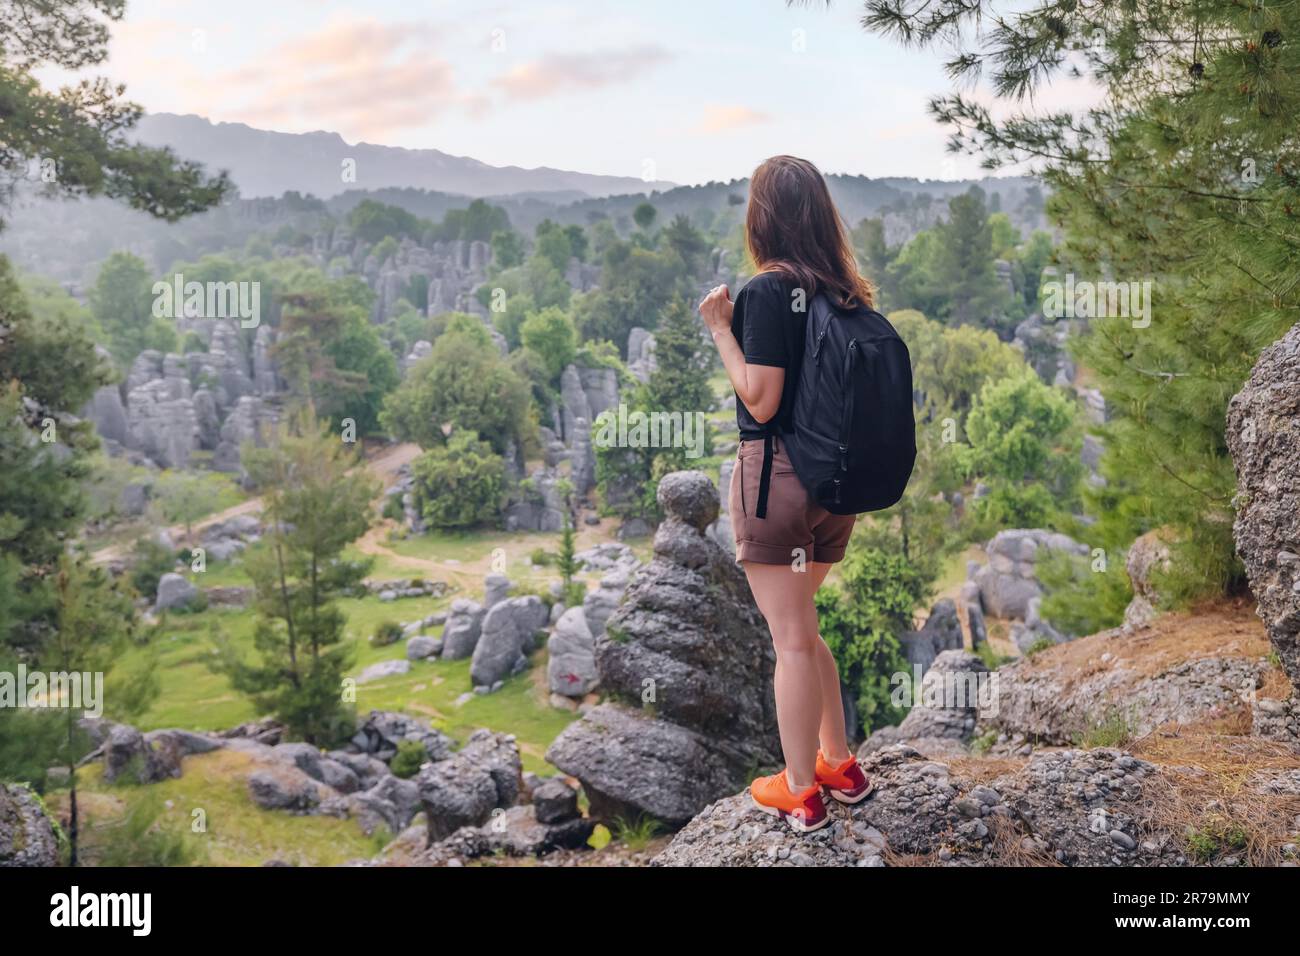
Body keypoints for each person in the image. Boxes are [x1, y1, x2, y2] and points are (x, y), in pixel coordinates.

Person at [698, 155, 876, 832]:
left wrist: (721, 329)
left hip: (778, 479)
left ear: (761, 217)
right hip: (838, 486)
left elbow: (762, 398)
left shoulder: (769, 293)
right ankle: (839, 763)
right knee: (805, 627)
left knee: (791, 640)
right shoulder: (844, 292)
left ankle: (801, 793)